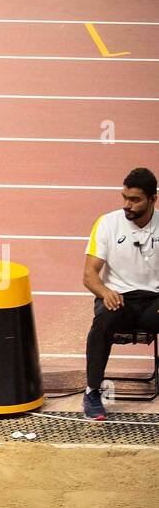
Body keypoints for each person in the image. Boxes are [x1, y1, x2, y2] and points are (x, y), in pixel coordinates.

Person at [81, 167, 159, 420]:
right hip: (119, 299)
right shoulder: (107, 223)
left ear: (153, 200)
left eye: (135, 200)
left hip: (154, 301)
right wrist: (105, 292)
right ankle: (92, 392)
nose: (127, 204)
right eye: (125, 197)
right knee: (102, 322)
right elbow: (89, 274)